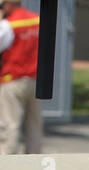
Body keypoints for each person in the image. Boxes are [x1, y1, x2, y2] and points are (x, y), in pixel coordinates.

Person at [0, 0, 42, 155]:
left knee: (10, 124)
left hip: (13, 79)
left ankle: (7, 163)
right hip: (36, 81)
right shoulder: (38, 20)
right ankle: (35, 161)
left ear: (7, 5)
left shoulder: (8, 25)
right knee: (35, 126)